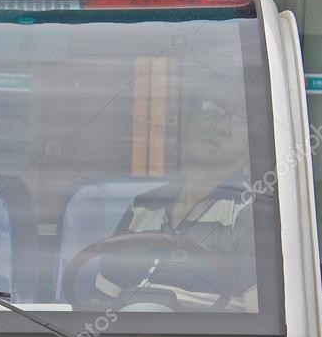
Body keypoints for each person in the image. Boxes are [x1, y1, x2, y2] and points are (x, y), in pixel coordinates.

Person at [74, 88, 258, 312]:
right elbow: (101, 303)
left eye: (239, 119)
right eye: (213, 109)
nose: (220, 127)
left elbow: (257, 319)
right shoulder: (143, 206)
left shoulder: (250, 212)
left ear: (252, 144)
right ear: (187, 121)